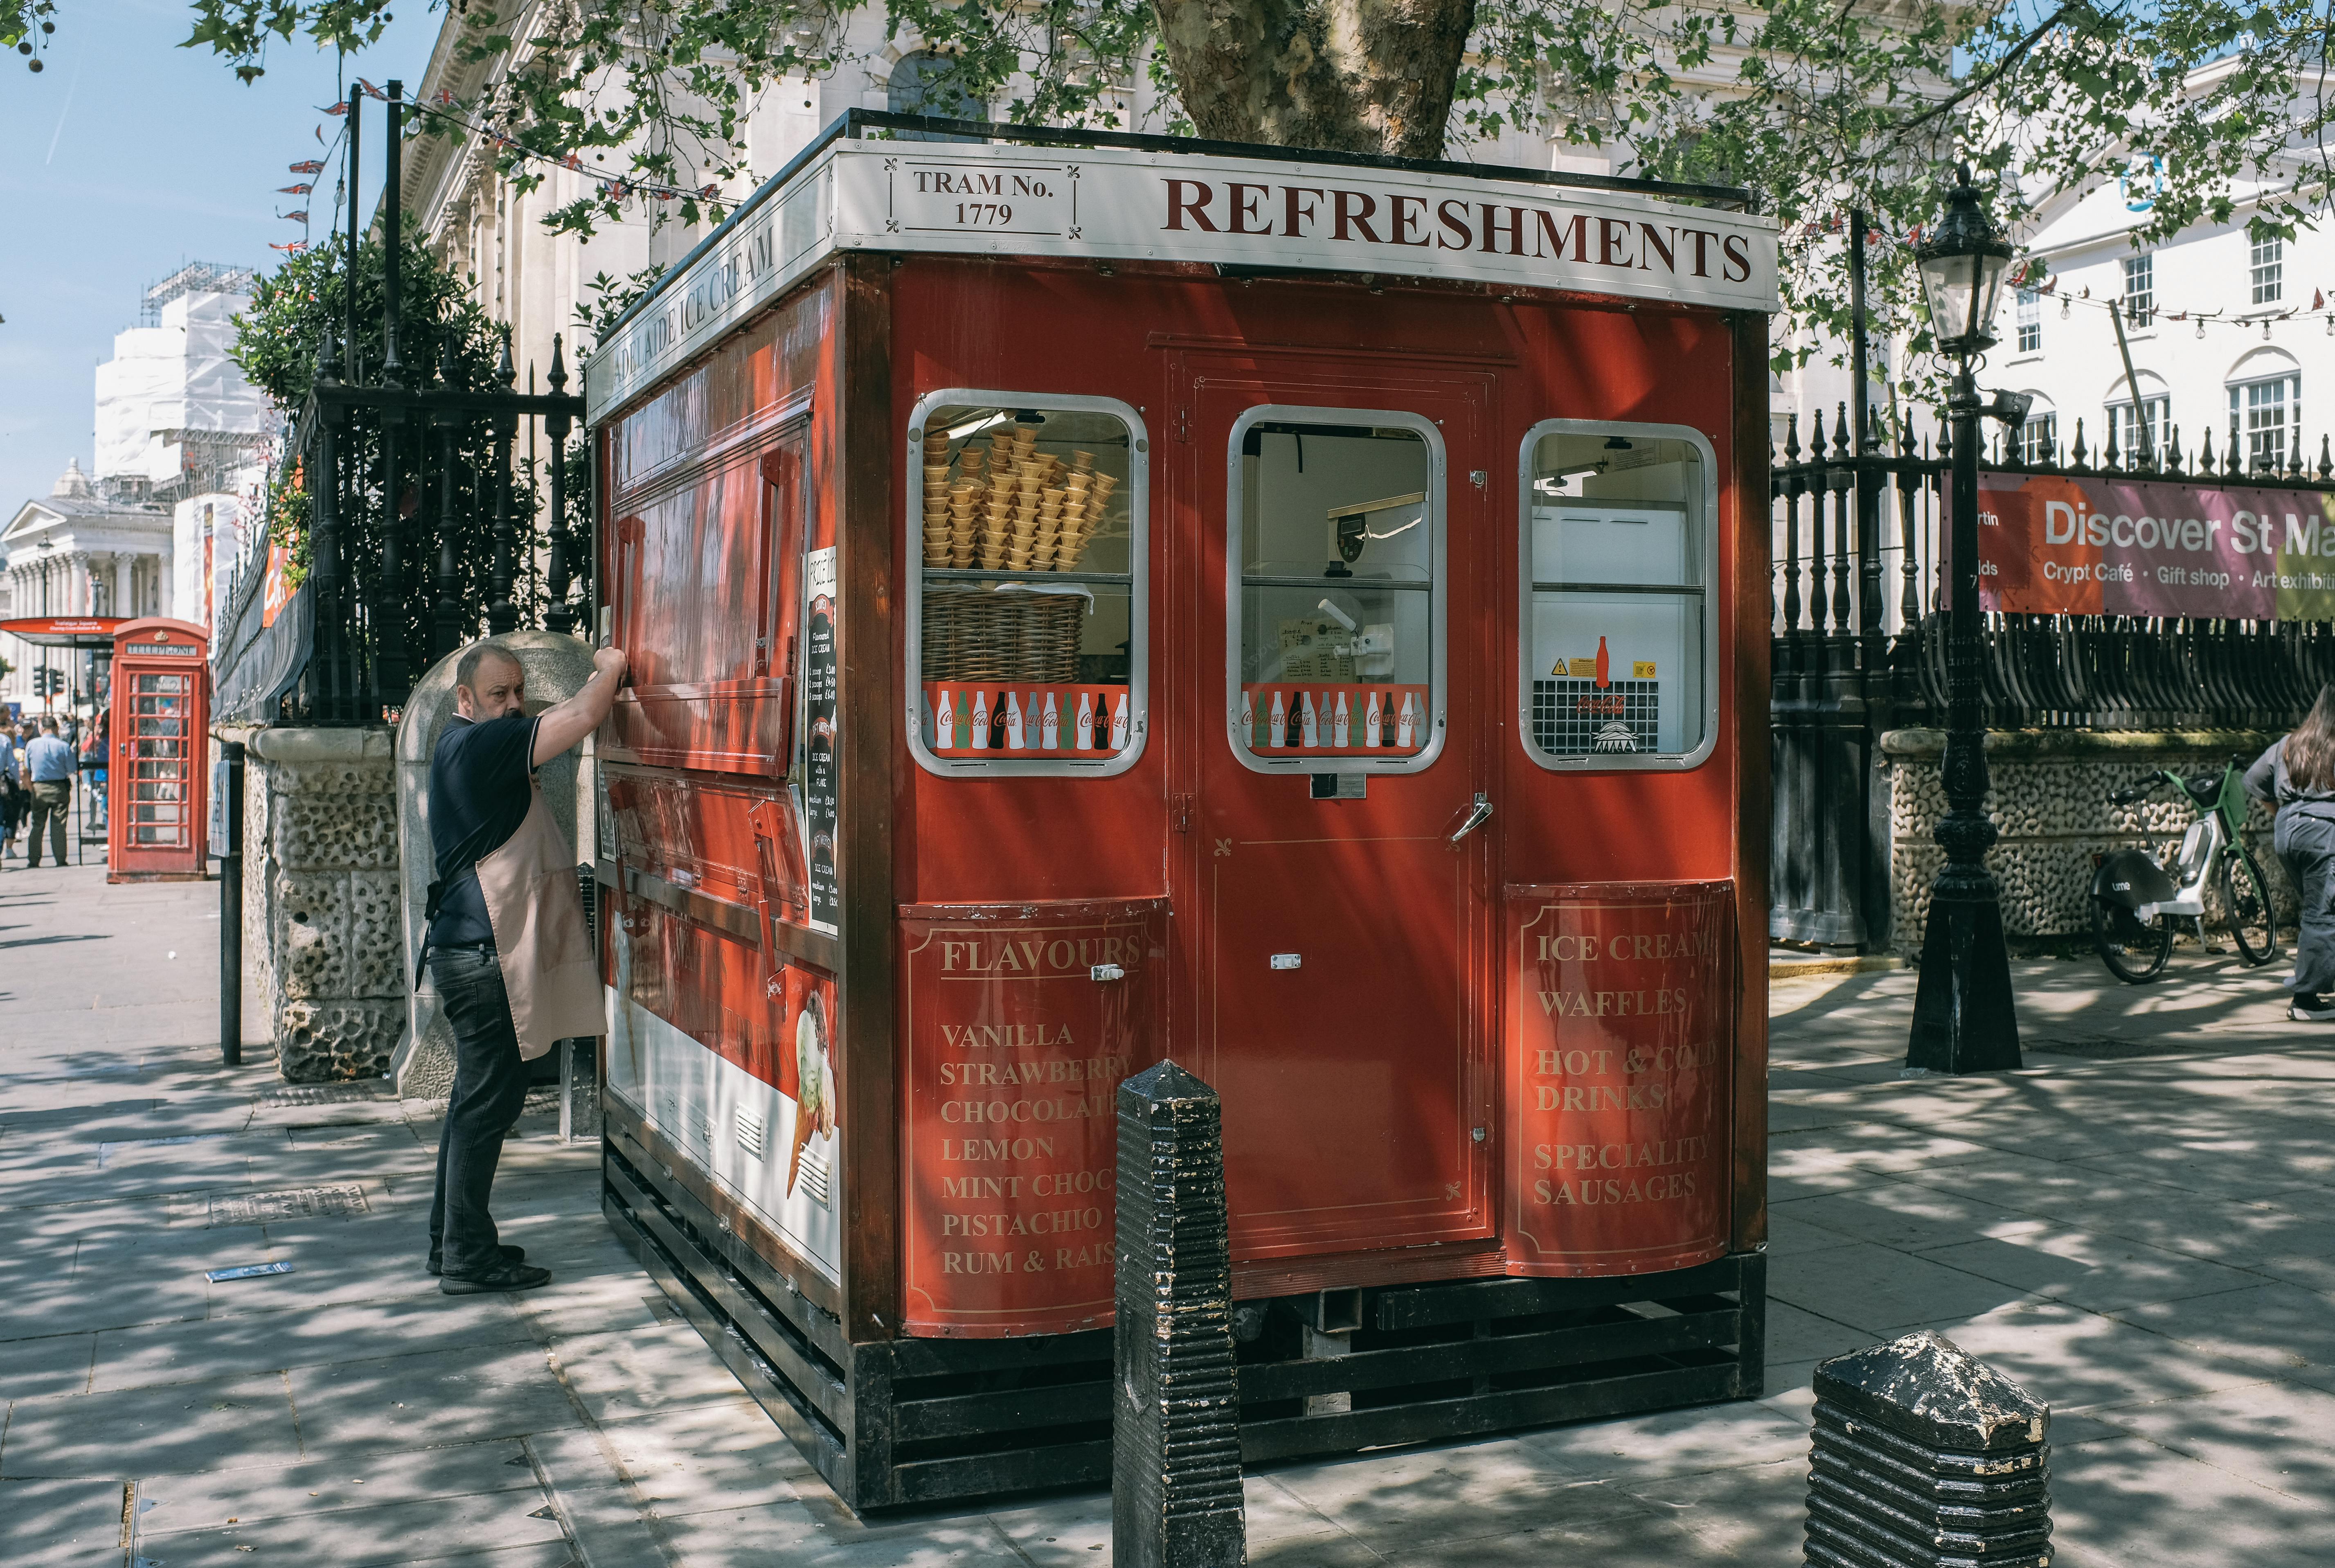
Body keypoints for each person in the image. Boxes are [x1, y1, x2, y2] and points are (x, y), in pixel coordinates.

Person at [421, 638, 626, 1293]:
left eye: (517, 694)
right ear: (464, 700)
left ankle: (453, 1242)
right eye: (496, 696)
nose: (511, 707)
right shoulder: (479, 744)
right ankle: (466, 1260)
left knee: (472, 1104)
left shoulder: (466, 744)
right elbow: (579, 718)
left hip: (469, 952)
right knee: (487, 1104)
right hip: (485, 958)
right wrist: (612, 669)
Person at [2246, 685, 2335, 1021]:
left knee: (2321, 909)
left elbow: (2254, 781)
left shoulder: (2290, 744)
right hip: (2324, 832)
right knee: (2321, 913)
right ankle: (2305, 999)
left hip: (2288, 830)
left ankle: (2315, 976)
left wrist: (2283, 815)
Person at [23, 717, 76, 869]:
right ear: (56, 728)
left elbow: (27, 767)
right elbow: (72, 769)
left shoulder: (32, 745)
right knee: (59, 825)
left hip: (39, 787)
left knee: (37, 825)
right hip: (59, 788)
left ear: (41, 728)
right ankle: (60, 860)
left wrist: (30, 787)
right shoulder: (64, 746)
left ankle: (34, 860)